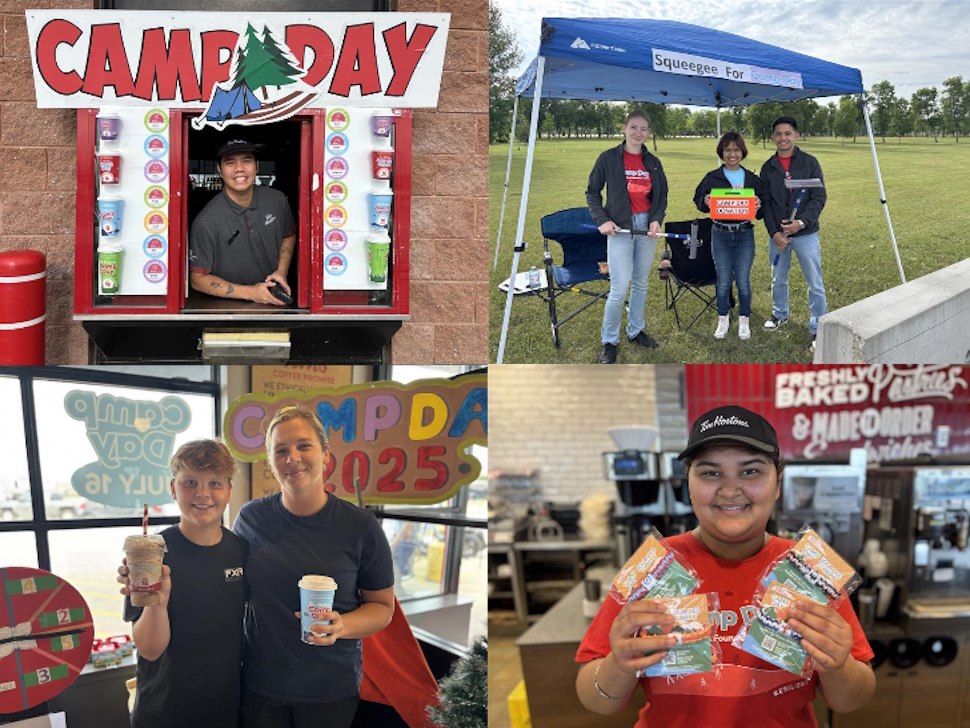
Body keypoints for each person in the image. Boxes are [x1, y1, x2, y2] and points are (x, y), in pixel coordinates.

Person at [575, 405, 875, 727]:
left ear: (777, 482)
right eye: (710, 472)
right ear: (687, 482)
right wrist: (619, 665)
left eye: (750, 471)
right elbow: (594, 699)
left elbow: (850, 701)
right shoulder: (655, 567)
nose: (730, 490)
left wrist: (838, 666)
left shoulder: (808, 570)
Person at [232, 406, 395, 728]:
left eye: (303, 445)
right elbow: (226, 581)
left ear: (325, 455)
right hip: (260, 683)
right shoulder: (251, 519)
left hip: (329, 689)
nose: (292, 457)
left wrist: (342, 626)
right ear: (272, 463)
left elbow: (382, 607)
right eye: (281, 450)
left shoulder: (360, 527)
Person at [119, 439, 247, 728]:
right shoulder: (150, 555)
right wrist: (158, 603)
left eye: (215, 483)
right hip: (163, 712)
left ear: (229, 492)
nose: (203, 493)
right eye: (190, 482)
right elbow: (150, 650)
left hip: (225, 710)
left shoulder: (241, 551)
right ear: (173, 488)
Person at [586, 109, 668, 364]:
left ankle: (635, 331)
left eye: (643, 129)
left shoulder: (653, 162)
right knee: (619, 288)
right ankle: (609, 342)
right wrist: (603, 220)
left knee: (641, 282)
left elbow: (661, 196)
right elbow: (592, 193)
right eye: (634, 127)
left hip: (645, 227)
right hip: (619, 228)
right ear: (624, 128)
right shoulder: (608, 158)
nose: (638, 133)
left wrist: (655, 220)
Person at [189, 139, 295, 306]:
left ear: (257, 167)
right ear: (219, 170)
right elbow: (197, 279)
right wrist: (251, 293)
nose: (239, 168)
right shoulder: (206, 221)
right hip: (224, 309)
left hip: (274, 303)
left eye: (246, 161)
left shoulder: (277, 200)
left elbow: (288, 235)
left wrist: (280, 272)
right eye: (230, 162)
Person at [759, 117, 828, 350]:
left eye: (788, 133)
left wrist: (801, 223)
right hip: (779, 238)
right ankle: (780, 314)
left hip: (805, 235)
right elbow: (766, 203)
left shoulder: (810, 163)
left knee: (814, 282)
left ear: (796, 135)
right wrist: (775, 232)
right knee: (778, 277)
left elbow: (819, 198)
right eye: (778, 134)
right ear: (772, 137)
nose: (783, 138)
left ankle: (819, 327)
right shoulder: (768, 167)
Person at [694, 132, 764, 341]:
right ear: (721, 152)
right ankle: (722, 318)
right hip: (720, 235)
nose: (732, 154)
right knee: (723, 282)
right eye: (727, 150)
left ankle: (744, 319)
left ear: (742, 152)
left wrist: (758, 205)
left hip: (744, 235)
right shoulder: (712, 177)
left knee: (742, 282)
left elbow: (761, 210)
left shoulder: (752, 179)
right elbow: (698, 199)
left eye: (736, 149)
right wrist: (705, 200)